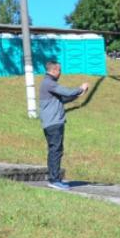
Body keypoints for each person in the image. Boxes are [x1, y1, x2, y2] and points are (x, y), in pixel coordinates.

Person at [40, 61, 89, 190]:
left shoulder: (47, 83)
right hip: (54, 123)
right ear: (54, 70)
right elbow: (66, 92)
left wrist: (78, 94)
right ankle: (54, 180)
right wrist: (80, 88)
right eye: (60, 70)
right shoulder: (49, 83)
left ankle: (54, 178)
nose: (60, 73)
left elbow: (63, 99)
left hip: (52, 122)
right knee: (55, 151)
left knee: (55, 150)